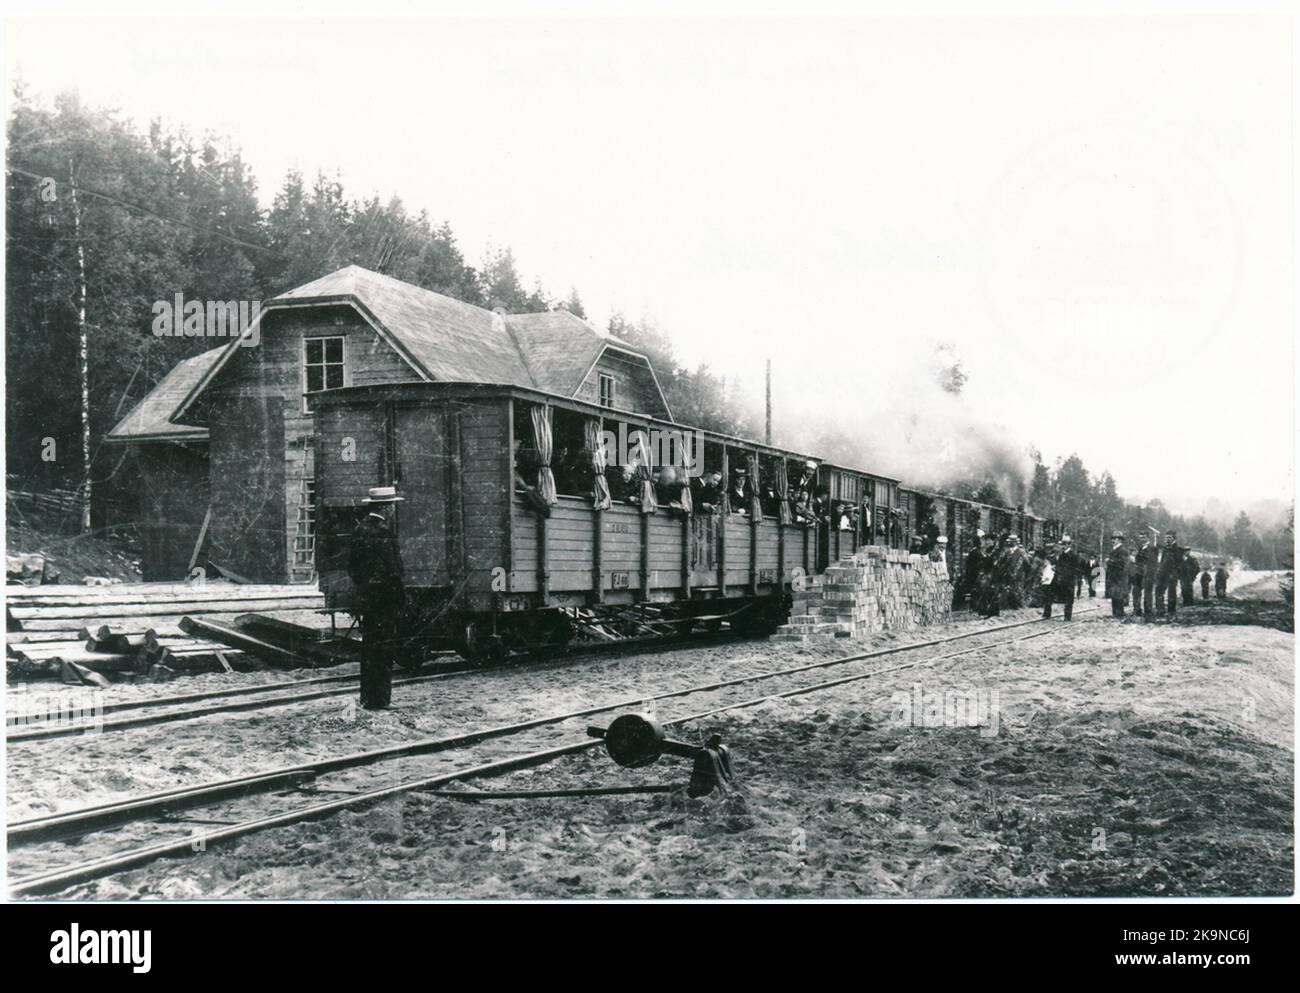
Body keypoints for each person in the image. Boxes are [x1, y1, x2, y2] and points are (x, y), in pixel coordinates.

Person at [348, 485, 406, 710]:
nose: (393, 510)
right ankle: (381, 701)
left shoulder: (359, 530)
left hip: (368, 601)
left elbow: (352, 567)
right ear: (385, 507)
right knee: (384, 652)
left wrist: (364, 589)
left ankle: (367, 699)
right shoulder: (384, 531)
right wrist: (400, 599)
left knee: (369, 651)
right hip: (385, 601)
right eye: (392, 506)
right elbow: (393, 570)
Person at [1044, 534, 1086, 620]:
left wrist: (1073, 576)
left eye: (1065, 544)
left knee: (1068, 598)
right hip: (1058, 578)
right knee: (1049, 594)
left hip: (1068, 580)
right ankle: (1047, 614)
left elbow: (1076, 568)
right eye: (1063, 544)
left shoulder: (1073, 556)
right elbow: (1058, 564)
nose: (1063, 546)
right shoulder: (1061, 555)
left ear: (1069, 544)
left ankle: (1067, 616)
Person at [1155, 530, 1184, 616]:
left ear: (1174, 539)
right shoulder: (1165, 549)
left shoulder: (1178, 550)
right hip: (1163, 574)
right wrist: (1159, 572)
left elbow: (1180, 564)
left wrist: (1175, 574)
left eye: (1169, 537)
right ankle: (1160, 610)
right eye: (1166, 537)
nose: (1167, 539)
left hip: (1172, 575)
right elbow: (1163, 562)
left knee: (1171, 593)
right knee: (1158, 591)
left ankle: (1171, 611)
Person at [1105, 531, 1131, 617]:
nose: (1112, 540)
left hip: (1119, 577)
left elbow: (1121, 563)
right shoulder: (1114, 550)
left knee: (1118, 596)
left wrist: (1109, 561)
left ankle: (1119, 614)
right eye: (1112, 538)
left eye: (1115, 538)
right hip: (1113, 577)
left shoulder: (1123, 551)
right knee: (1114, 596)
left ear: (1120, 540)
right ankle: (1115, 613)